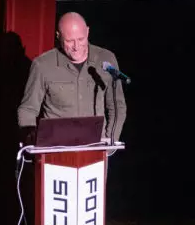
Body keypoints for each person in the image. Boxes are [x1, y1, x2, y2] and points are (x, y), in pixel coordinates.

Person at [17, 12, 127, 145]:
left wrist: (110, 143)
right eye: (69, 41)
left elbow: (117, 106)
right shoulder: (42, 65)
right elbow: (28, 109)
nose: (76, 47)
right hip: (55, 150)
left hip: (96, 149)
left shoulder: (107, 60)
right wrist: (33, 142)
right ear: (58, 36)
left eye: (81, 39)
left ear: (87, 32)